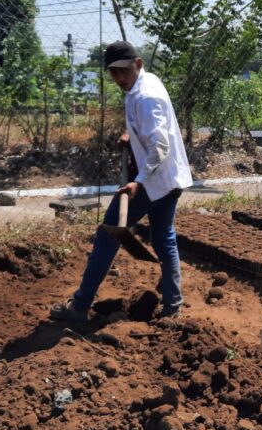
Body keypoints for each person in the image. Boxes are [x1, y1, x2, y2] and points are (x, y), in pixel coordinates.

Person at [50, 40, 193, 321]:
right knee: (164, 238)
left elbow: (160, 146)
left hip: (152, 180)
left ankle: (79, 307)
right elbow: (153, 131)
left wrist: (138, 181)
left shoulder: (145, 96)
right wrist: (133, 137)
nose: (118, 78)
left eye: (123, 71)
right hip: (169, 178)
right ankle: (173, 306)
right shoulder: (145, 82)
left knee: (108, 234)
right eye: (113, 72)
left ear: (137, 64)